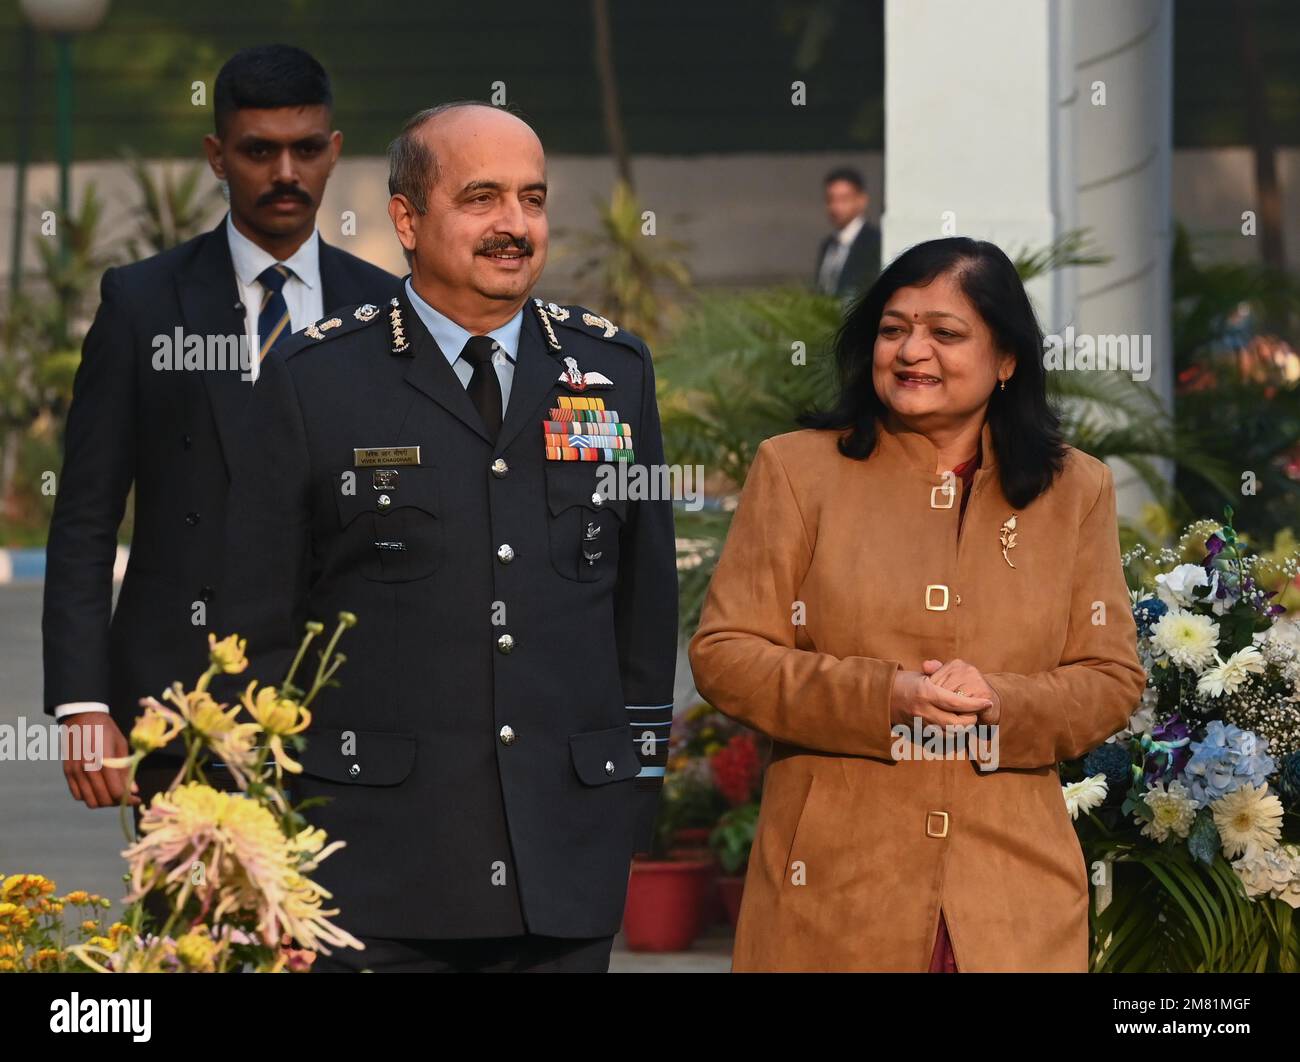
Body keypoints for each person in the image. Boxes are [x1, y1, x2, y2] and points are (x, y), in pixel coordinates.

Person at [220, 102, 678, 973]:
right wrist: (269, 830)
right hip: (376, 866)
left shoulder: (613, 374)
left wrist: (632, 789)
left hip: (563, 859)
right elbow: (259, 624)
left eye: (532, 199)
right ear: (407, 218)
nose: (515, 225)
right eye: (482, 198)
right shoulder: (315, 380)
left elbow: (643, 610)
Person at [689, 236, 1146, 972]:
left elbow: (1110, 678)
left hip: (1011, 903)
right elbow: (726, 655)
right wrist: (883, 697)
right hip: (835, 899)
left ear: (1006, 360)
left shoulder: (1074, 490)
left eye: (945, 333)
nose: (911, 351)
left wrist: (1002, 702)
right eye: (894, 329)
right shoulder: (798, 470)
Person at [43, 44, 397, 811]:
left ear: (334, 152)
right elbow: (84, 518)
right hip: (176, 709)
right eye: (258, 151)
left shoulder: (386, 311)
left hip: (349, 707)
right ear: (216, 155)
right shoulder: (141, 304)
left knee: (340, 934)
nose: (285, 174)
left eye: (306, 149)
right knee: (189, 933)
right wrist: (80, 704)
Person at [813, 166, 881, 298]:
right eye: (830, 200)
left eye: (844, 199)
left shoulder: (874, 243)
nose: (836, 207)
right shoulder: (828, 245)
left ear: (861, 200)